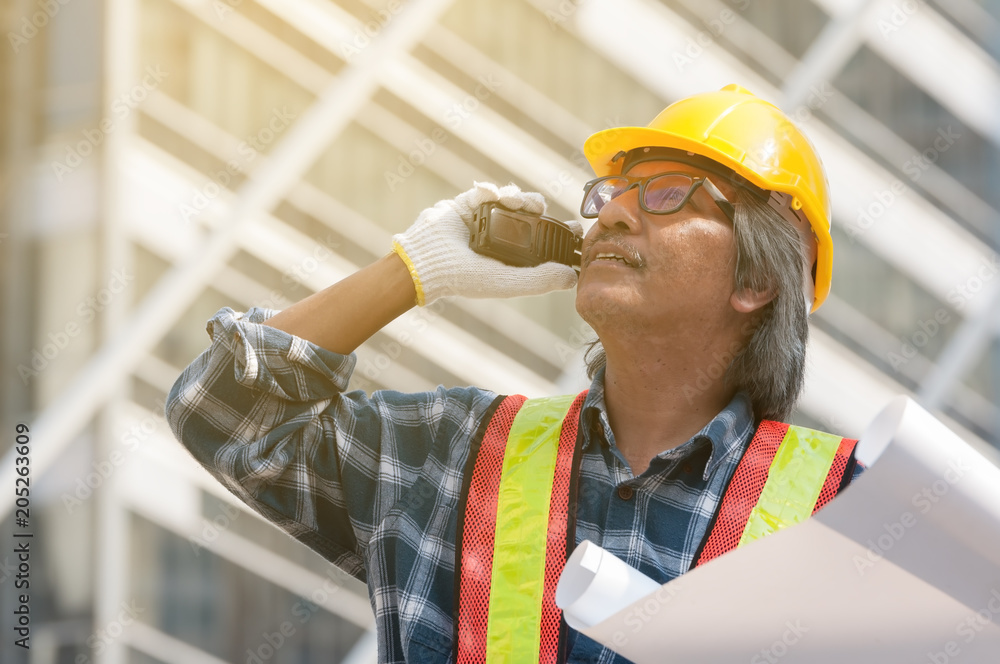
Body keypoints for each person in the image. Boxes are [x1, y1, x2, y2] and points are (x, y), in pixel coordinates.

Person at [165, 84, 862, 663]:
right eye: (612, 194)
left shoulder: (850, 510)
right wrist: (411, 273)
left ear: (759, 278)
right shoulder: (452, 454)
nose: (612, 214)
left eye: (667, 195)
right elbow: (225, 411)